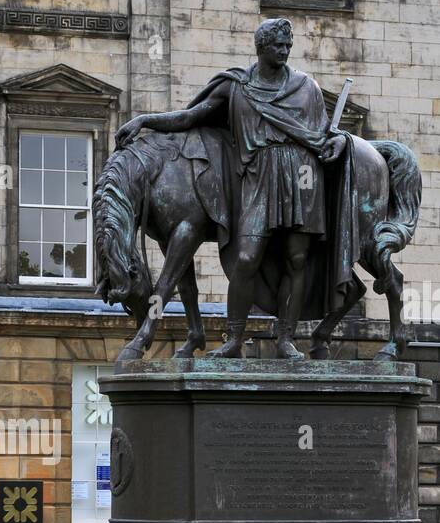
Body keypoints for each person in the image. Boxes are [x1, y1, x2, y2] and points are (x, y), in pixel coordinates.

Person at [115, 18, 347, 358]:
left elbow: (326, 133)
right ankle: (234, 340)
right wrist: (145, 120)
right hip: (257, 176)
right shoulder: (236, 85)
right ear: (261, 47)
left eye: (288, 45)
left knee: (297, 259)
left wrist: (338, 143)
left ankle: (285, 338)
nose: (284, 51)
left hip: (302, 174)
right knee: (245, 258)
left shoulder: (306, 87)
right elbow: (189, 117)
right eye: (278, 46)